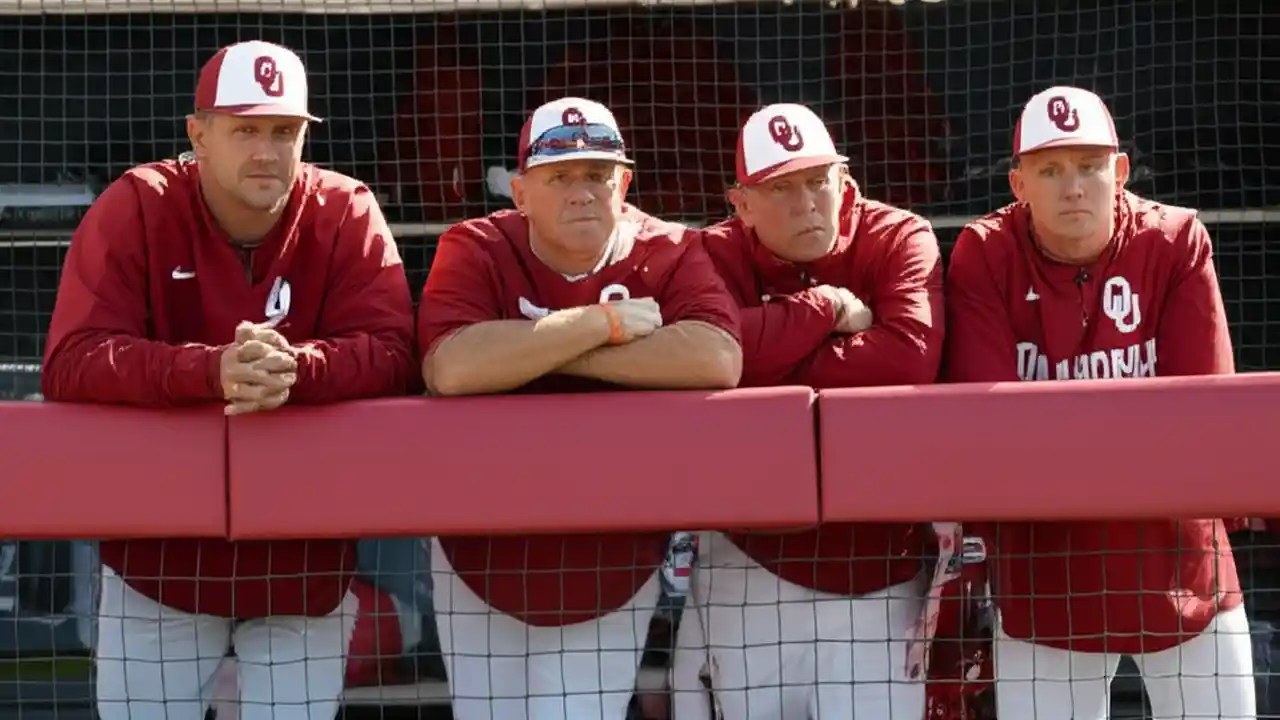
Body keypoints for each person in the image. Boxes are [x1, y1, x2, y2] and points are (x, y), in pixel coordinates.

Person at [40, 40, 415, 720]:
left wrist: (298, 370)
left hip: (305, 560)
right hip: (160, 562)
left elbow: (397, 349)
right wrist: (209, 369)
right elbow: (72, 360)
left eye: (284, 131)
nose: (266, 151)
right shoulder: (139, 205)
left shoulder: (345, 209)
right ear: (199, 133)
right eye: (244, 129)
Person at [415, 96, 743, 720]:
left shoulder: (668, 247)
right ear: (520, 192)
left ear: (623, 183)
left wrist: (533, 350)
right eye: (559, 176)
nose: (581, 191)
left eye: (596, 173)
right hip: (480, 543)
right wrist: (605, 323)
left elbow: (717, 358)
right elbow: (451, 367)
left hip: (611, 549)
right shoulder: (475, 244)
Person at [944, 85, 1255, 720]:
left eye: (1089, 165)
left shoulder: (1176, 241)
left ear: (1119, 172)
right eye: (1051, 170)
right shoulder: (983, 252)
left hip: (1180, 571)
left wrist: (1055, 443)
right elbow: (992, 427)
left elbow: (1203, 419)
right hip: (1047, 583)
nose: (1074, 186)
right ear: (1018, 184)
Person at [675, 102, 945, 720]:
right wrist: (821, 310)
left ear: (844, 180)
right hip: (749, 559)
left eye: (818, 180)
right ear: (740, 203)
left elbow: (907, 359)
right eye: (782, 187)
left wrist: (767, 363)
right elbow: (700, 356)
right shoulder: (706, 253)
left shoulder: (898, 235)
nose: (807, 203)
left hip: (881, 564)